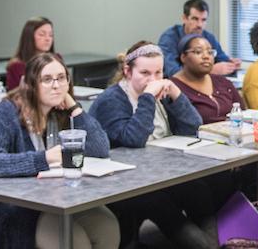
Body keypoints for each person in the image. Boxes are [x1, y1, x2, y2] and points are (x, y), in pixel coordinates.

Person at [0, 52, 118, 249]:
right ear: (30, 84)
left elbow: (100, 148)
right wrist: (44, 158)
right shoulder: (5, 114)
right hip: (14, 209)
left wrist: (75, 108)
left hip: (56, 199)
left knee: (108, 228)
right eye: (47, 80)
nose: (56, 85)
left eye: (61, 78)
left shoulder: (60, 111)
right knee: (75, 242)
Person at [89, 41, 217, 248]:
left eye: (158, 73)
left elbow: (193, 125)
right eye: (145, 73)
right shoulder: (111, 100)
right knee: (159, 203)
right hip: (122, 182)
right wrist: (148, 96)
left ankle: (214, 244)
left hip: (157, 171)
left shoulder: (162, 91)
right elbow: (134, 140)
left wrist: (175, 92)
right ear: (127, 71)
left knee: (199, 189)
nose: (153, 80)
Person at [170, 34, 245, 124]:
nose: (206, 56)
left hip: (231, 135)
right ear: (183, 57)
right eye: (198, 52)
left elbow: (243, 114)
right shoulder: (173, 88)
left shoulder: (223, 83)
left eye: (210, 52)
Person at [158, 0, 241, 76]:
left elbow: (221, 59)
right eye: (195, 19)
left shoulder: (208, 37)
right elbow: (173, 72)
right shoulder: (169, 38)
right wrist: (210, 70)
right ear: (184, 18)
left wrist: (231, 64)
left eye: (203, 20)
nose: (199, 25)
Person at [6, 16, 59, 90]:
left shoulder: (56, 60)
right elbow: (14, 96)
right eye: (42, 34)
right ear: (29, 36)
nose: (48, 39)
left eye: (51, 35)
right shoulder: (17, 66)